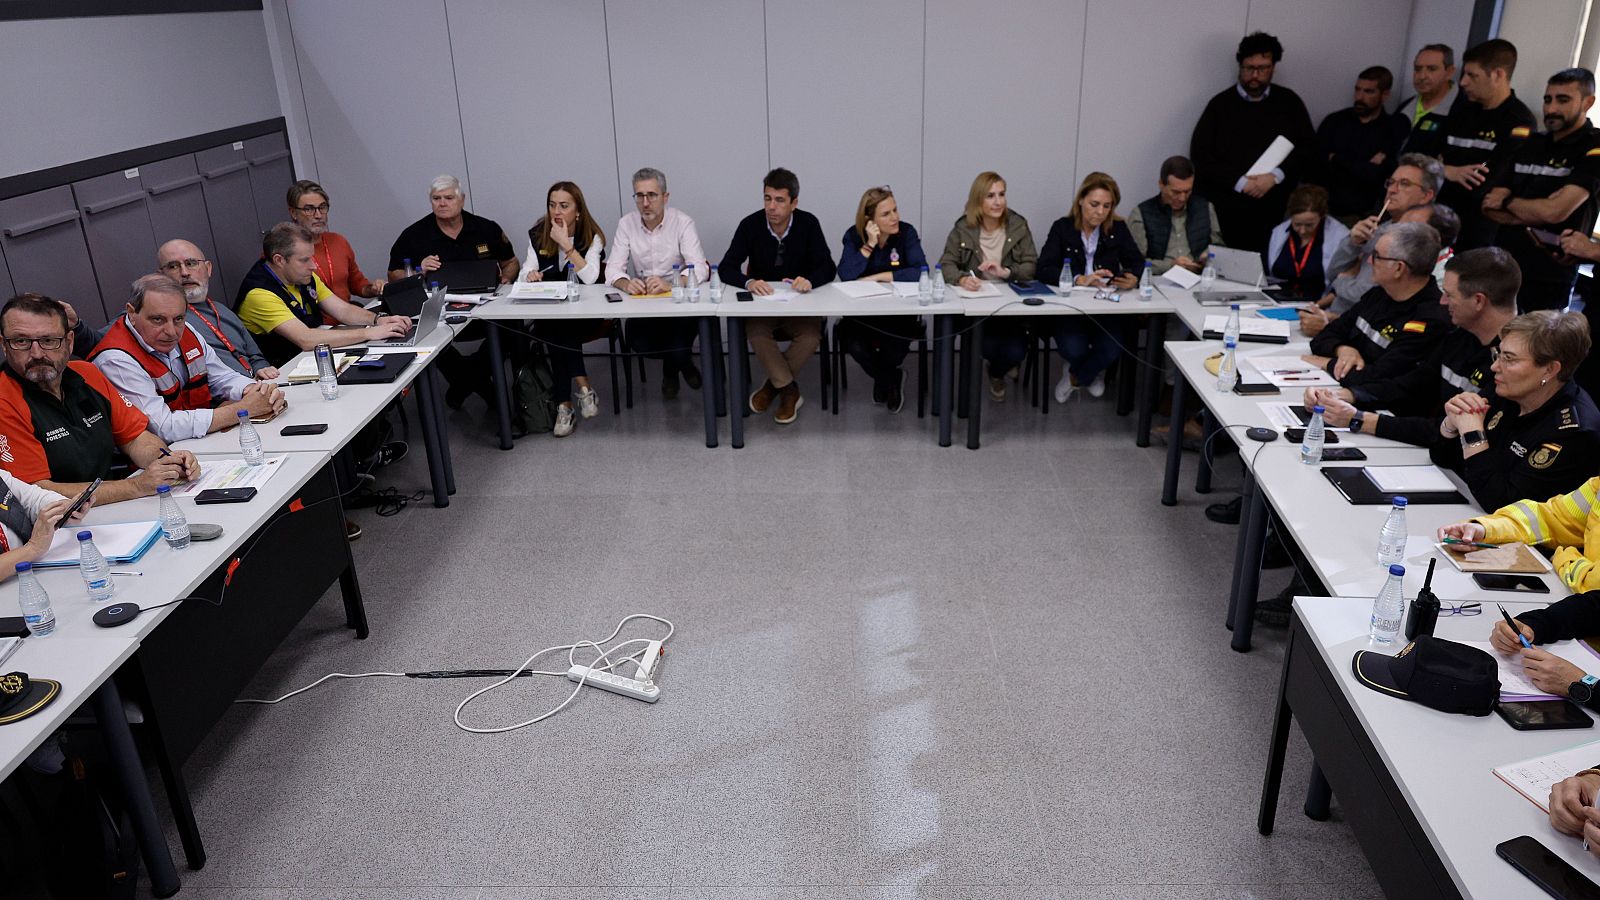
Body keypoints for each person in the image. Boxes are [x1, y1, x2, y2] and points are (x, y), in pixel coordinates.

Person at [1304, 247, 1518, 448]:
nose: (1442, 302)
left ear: (1478, 301)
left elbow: (1452, 430)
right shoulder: (1462, 335)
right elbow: (1411, 386)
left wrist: (1360, 420)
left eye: (1449, 295)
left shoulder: (1512, 361)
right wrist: (1346, 395)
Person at [0, 293, 197, 504]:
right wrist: (137, 486)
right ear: (4, 345)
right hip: (60, 519)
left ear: (69, 342)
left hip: (116, 504)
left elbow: (136, 438)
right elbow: (35, 492)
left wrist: (167, 462)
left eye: (49, 341)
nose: (37, 353)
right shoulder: (5, 401)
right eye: (21, 341)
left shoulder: (88, 374)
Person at [1431, 310, 1598, 512]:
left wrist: (1473, 434)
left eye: (1509, 359)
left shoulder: (1573, 432)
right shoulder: (1507, 391)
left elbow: (1502, 504)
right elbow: (1442, 458)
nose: (1494, 366)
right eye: (1498, 354)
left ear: (1550, 370)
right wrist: (1451, 424)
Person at [88, 273, 286, 443]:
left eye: (178, 318)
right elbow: (161, 427)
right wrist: (241, 410)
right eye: (158, 320)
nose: (171, 331)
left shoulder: (186, 330)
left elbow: (221, 377)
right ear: (132, 313)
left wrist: (255, 391)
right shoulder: (115, 359)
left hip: (202, 441)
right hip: (162, 459)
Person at [718, 168, 837, 425]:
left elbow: (828, 267)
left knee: (810, 336)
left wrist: (810, 280)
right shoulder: (750, 225)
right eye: (767, 198)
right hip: (764, 305)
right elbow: (726, 267)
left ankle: (773, 386)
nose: (771, 207)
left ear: (794, 203)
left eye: (780, 200)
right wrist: (749, 282)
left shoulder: (808, 224)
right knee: (756, 332)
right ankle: (789, 391)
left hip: (800, 305)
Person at [1482, 68, 1600, 312]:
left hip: (1550, 276)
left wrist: (1509, 202)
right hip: (1502, 265)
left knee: (1537, 337)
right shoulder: (1529, 142)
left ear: (1588, 102)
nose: (1551, 108)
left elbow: (1555, 212)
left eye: (1563, 100)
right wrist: (1537, 213)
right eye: (1548, 99)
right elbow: (1489, 205)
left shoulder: (1594, 146)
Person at [1190, 32, 1317, 252]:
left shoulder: (1289, 103)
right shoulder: (1220, 105)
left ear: (1273, 67)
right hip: (1226, 211)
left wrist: (1275, 176)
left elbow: (1307, 149)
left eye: (1262, 68)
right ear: (1240, 66)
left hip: (1274, 211)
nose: (1255, 75)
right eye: (1249, 68)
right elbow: (1201, 156)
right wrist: (1240, 182)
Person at [1298, 155, 1446, 336]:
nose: (1392, 190)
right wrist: (1352, 243)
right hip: (1335, 318)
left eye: (1404, 184)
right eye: (1391, 182)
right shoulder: (1375, 228)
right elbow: (1332, 274)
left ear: (1426, 195)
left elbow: (1377, 291)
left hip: (1362, 329)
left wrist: (1343, 282)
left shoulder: (1422, 242)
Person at [235, 223, 412, 366]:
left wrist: (378, 320)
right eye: (304, 260)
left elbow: (342, 310)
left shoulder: (302, 276)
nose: (313, 266)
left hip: (311, 359)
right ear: (279, 260)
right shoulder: (259, 294)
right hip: (280, 371)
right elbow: (305, 339)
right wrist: (369, 333)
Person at [1036, 172, 1143, 402]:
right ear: (1081, 200)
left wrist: (1134, 277)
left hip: (1106, 306)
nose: (1100, 212)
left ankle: (1077, 376)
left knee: (1112, 348)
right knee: (1073, 348)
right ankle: (1088, 371)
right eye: (1094, 204)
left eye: (1107, 206)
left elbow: (1137, 262)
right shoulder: (1062, 228)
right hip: (1070, 307)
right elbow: (1043, 269)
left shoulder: (1117, 228)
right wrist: (1078, 279)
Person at [1304, 221, 1447, 387]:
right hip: (1342, 386)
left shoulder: (1429, 319)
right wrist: (1343, 349)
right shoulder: (1380, 294)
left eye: (1377, 256)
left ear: (1399, 268)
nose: (1369, 261)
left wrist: (1327, 363)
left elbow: (1380, 377)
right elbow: (1325, 335)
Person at [606, 167, 707, 399]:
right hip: (645, 305)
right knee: (639, 342)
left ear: (665, 197)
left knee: (679, 344)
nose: (645, 203)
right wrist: (625, 283)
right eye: (639, 196)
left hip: (678, 304)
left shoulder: (682, 222)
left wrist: (673, 284)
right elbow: (612, 269)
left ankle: (672, 372)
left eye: (651, 195)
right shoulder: (626, 224)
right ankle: (683, 365)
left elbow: (700, 267)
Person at [939, 171, 1039, 402]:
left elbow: (1031, 265)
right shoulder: (963, 228)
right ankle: (998, 371)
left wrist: (1006, 272)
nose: (998, 202)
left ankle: (996, 372)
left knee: (1017, 350)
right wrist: (963, 279)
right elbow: (946, 264)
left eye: (1001, 194)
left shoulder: (1017, 225)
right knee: (986, 346)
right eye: (990, 196)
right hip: (978, 306)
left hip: (1011, 304)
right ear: (978, 200)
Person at [521, 181, 607, 438]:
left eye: (564, 206)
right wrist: (531, 276)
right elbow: (525, 271)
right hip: (553, 314)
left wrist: (566, 246)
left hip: (587, 315)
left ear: (578, 211)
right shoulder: (538, 234)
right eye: (552, 205)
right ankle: (582, 389)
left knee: (558, 330)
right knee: (556, 326)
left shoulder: (592, 236)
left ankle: (564, 406)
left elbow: (591, 277)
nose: (556, 211)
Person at [1436, 39, 1537, 250]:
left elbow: (1487, 179)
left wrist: (1442, 169)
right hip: (1439, 217)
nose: (1463, 82)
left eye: (1472, 75)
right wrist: (1447, 170)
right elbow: (1425, 155)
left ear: (1498, 75)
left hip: (1478, 228)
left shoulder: (1519, 121)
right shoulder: (1462, 111)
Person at [836, 186, 927, 413]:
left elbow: (921, 271)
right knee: (853, 344)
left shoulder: (906, 233)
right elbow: (846, 274)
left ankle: (883, 380)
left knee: (893, 346)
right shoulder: (854, 235)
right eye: (886, 214)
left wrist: (879, 277)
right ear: (870, 220)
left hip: (899, 313)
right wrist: (869, 245)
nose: (895, 217)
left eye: (895, 210)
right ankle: (891, 379)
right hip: (862, 315)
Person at [155, 239, 278, 380]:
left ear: (208, 269)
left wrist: (262, 370)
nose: (185, 272)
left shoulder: (222, 310)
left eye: (191, 263)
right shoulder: (168, 322)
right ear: (162, 277)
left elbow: (256, 357)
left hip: (259, 384)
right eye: (173, 266)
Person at [1315, 66, 1411, 220]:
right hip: (1322, 208)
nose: (1360, 97)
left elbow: (1377, 175)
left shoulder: (1390, 129)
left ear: (1385, 94)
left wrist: (1336, 159)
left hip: (1362, 214)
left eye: (1369, 91)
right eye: (1357, 89)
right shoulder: (1335, 122)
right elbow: (1316, 164)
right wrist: (1364, 165)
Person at [386, 175, 519, 283]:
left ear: (462, 200)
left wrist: (506, 279)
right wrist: (419, 272)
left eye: (449, 198)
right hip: (436, 299)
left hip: (486, 297)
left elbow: (510, 262)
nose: (442, 203)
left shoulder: (486, 228)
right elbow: (393, 275)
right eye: (436, 198)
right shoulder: (413, 235)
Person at [286, 180, 384, 302]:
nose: (318, 215)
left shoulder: (338, 241)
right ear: (293, 213)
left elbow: (357, 284)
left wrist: (374, 288)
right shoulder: (285, 249)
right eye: (309, 209)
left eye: (322, 207)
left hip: (348, 311)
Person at [1128, 156, 1224, 277]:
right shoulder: (1141, 213)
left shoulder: (1205, 208)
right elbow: (1134, 262)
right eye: (1176, 192)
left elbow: (1219, 247)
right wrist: (1170, 265)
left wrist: (1207, 256)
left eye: (1187, 191)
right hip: (1160, 279)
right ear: (1161, 185)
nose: (1182, 198)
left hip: (1199, 276)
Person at [1264, 185, 1350, 299]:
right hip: (1278, 300)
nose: (1302, 231)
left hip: (1319, 303)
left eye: (1309, 225)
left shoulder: (1340, 236)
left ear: (1322, 216)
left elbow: (1343, 283)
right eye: (1297, 224)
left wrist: (1317, 306)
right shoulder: (1279, 232)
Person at [1398, 44, 1458, 156]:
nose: (1422, 76)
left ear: (1449, 72)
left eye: (1432, 69)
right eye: (1417, 69)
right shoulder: (1404, 108)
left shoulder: (1463, 110)